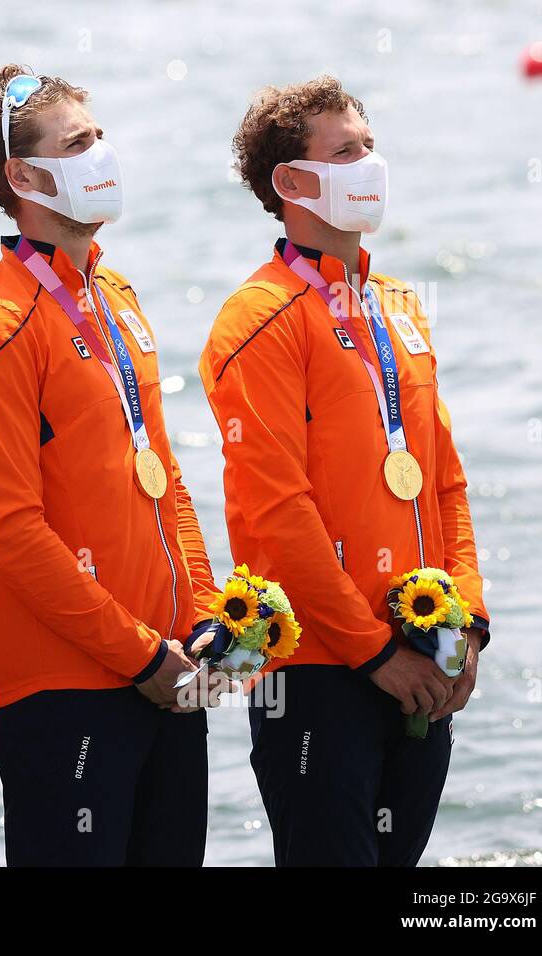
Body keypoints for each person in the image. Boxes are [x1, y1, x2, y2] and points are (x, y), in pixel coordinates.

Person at [198, 76, 490, 866]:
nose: (371, 164)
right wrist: (372, 654)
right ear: (291, 183)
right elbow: (278, 512)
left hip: (425, 652)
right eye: (346, 151)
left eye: (369, 144)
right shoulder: (257, 319)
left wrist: (469, 626)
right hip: (325, 671)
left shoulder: (399, 302)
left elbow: (444, 480)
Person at [0, 66, 219, 866]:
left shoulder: (114, 292)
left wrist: (202, 615)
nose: (104, 154)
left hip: (170, 668)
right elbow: (6, 531)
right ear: (22, 177)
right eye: (79, 143)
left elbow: (163, 477)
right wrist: (136, 652)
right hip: (69, 690)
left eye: (100, 135)